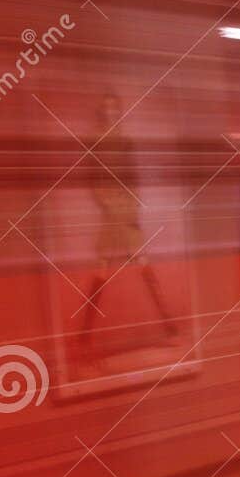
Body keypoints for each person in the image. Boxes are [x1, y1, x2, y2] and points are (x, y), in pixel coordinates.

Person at [82, 92, 177, 370]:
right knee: (101, 271)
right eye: (106, 109)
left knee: (144, 266)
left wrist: (131, 206)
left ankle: (170, 328)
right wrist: (108, 204)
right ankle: (85, 337)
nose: (110, 114)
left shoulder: (126, 143)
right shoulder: (94, 144)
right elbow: (93, 181)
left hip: (127, 213)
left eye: (114, 109)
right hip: (110, 213)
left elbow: (134, 179)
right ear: (101, 113)